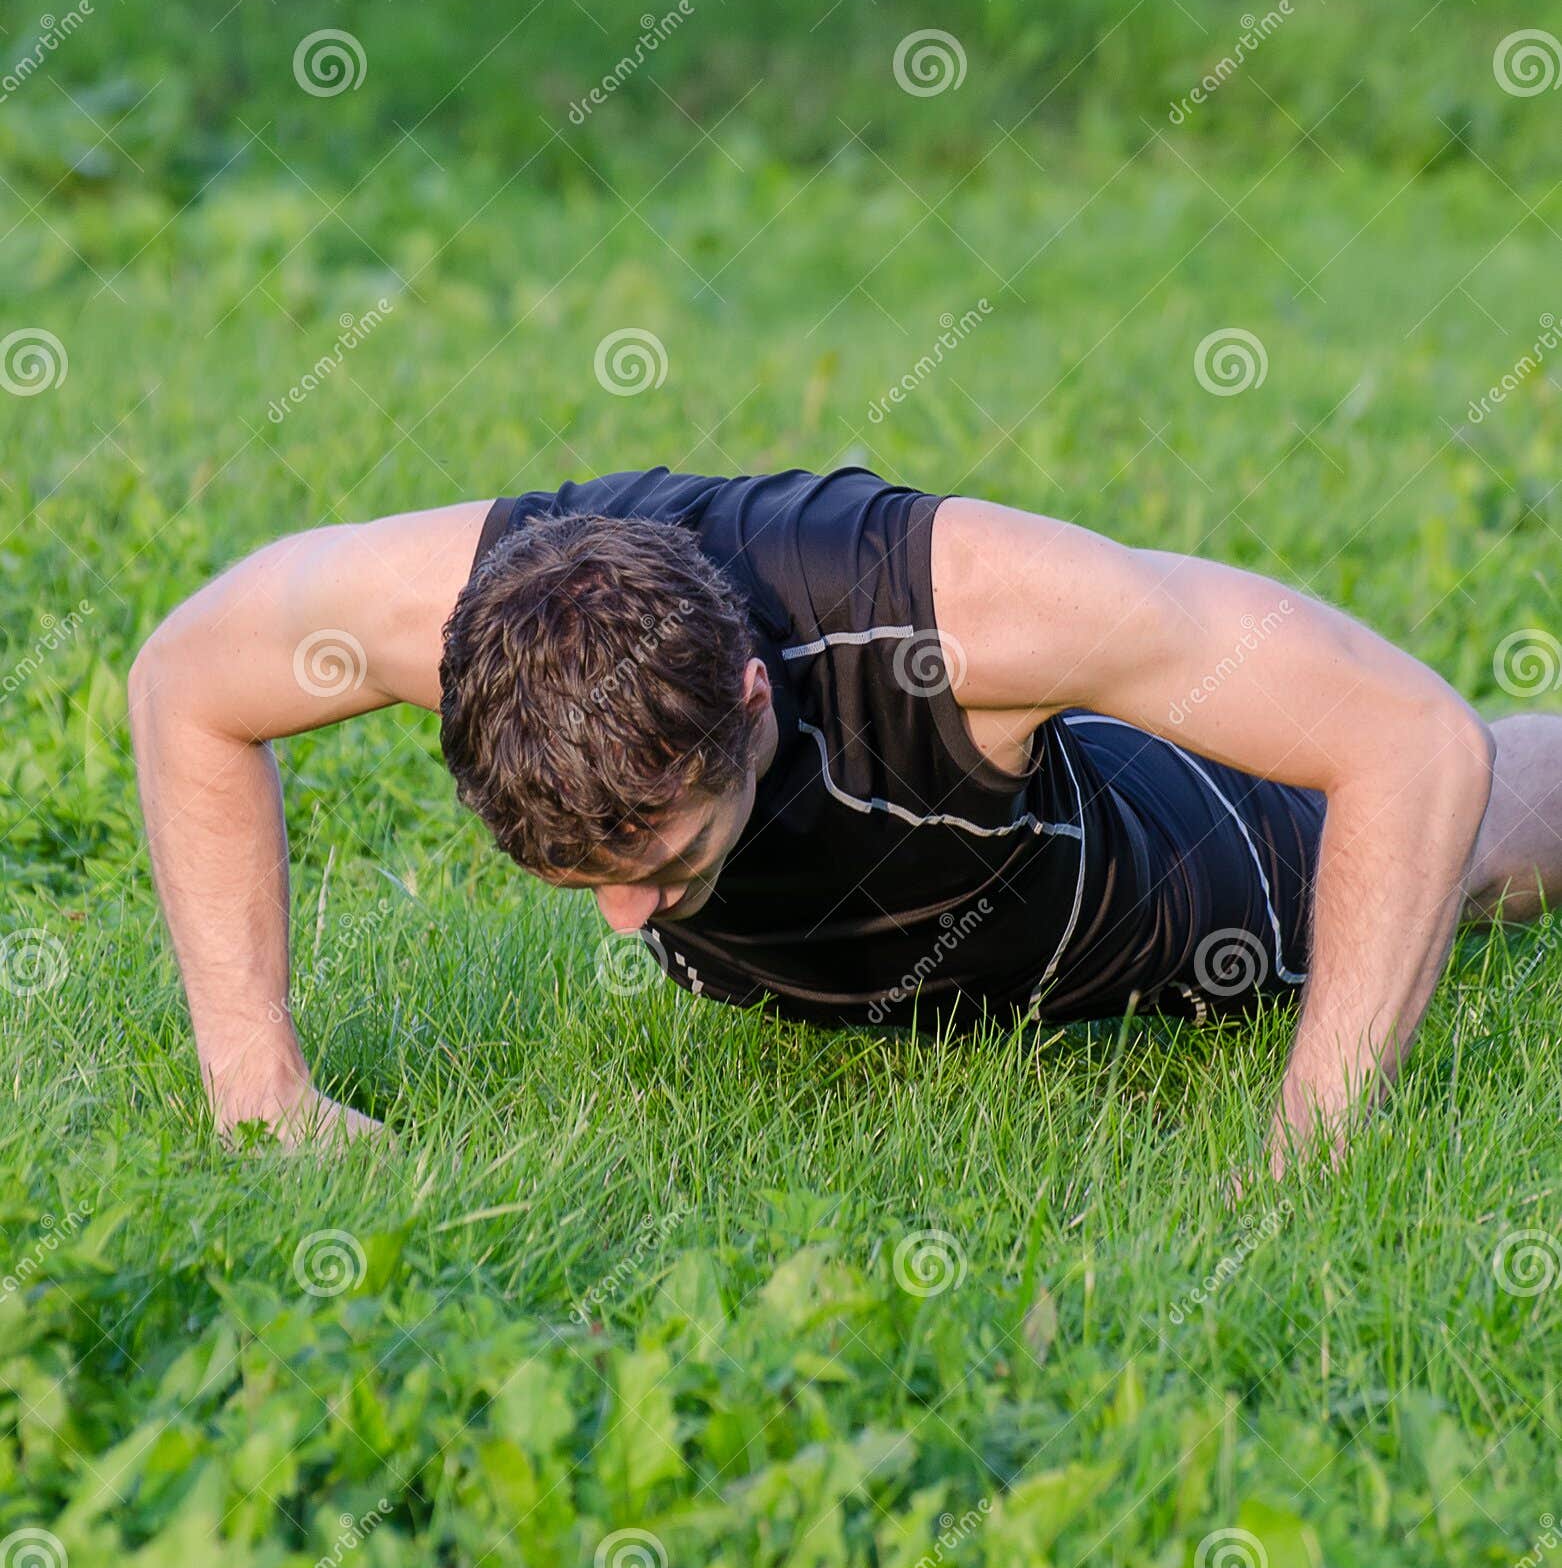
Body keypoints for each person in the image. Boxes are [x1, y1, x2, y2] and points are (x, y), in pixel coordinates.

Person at [128, 465, 1561, 1179]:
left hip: (1108, 880)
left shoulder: (970, 605)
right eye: (584, 880)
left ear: (753, 700)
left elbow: (1407, 738)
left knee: (1486, 825)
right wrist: (257, 1079)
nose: (627, 918)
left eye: (663, 860)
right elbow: (184, 682)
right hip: (887, 884)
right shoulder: (437, 609)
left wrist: (1309, 1146)